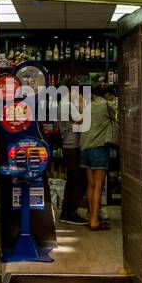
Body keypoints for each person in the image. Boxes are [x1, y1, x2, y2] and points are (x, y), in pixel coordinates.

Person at [80, 84, 116, 231]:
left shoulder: (88, 106)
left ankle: (91, 216)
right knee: (98, 186)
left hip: (85, 149)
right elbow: (120, 117)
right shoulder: (106, 105)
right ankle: (94, 220)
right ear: (107, 95)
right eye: (111, 96)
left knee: (90, 185)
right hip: (98, 148)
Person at [57, 85, 88, 224]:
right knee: (79, 181)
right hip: (73, 146)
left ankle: (66, 211)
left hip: (67, 145)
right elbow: (83, 119)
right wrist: (82, 104)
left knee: (71, 180)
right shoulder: (68, 105)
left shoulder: (60, 104)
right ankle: (71, 212)